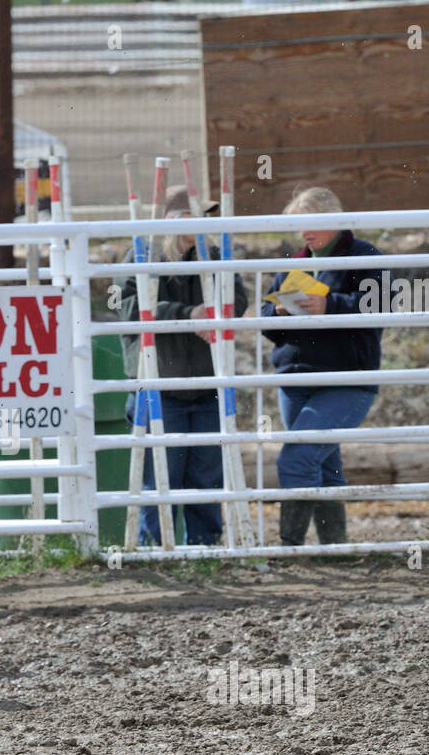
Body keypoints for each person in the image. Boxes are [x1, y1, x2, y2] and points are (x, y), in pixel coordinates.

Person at [118, 188, 247, 547]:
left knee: (206, 475)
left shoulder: (216, 257)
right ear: (173, 220)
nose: (205, 224)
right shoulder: (142, 258)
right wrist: (186, 316)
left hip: (207, 385)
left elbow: (236, 299)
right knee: (161, 476)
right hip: (160, 384)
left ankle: (204, 547)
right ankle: (153, 548)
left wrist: (218, 313)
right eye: (196, 216)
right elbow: (128, 309)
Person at [260, 186, 384, 546]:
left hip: (346, 379)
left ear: (334, 218)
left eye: (312, 223)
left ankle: (290, 548)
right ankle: (334, 547)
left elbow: (380, 306)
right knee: (323, 465)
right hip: (296, 378)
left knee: (296, 461)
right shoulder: (295, 262)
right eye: (300, 225)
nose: (305, 233)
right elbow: (266, 319)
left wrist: (329, 305)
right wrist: (280, 311)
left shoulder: (364, 255)